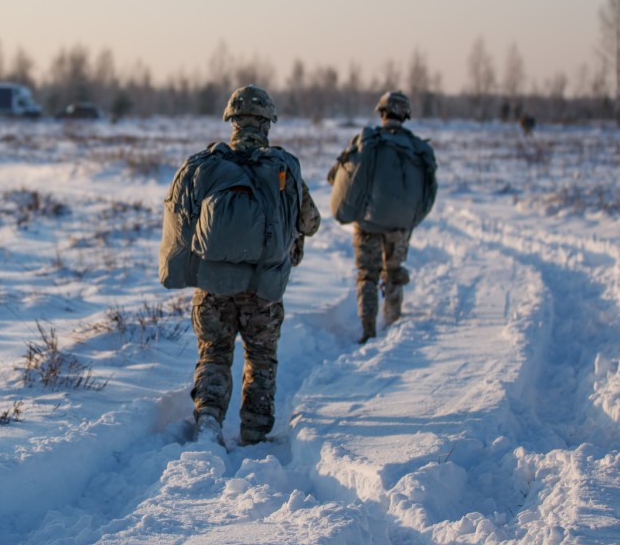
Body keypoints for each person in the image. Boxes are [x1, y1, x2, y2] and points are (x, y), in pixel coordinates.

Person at [159, 84, 321, 446]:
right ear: (267, 122)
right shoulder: (284, 166)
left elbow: (181, 224)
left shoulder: (206, 166)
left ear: (231, 119)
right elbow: (310, 222)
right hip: (263, 290)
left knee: (214, 355)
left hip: (213, 287)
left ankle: (209, 420)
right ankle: (254, 433)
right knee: (261, 359)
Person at [327, 90, 437, 344]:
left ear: (382, 112)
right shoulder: (418, 149)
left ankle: (369, 330)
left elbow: (340, 175)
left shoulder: (368, 141)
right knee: (394, 270)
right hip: (400, 226)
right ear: (406, 115)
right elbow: (429, 191)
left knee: (367, 273)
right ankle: (393, 318)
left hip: (367, 221)